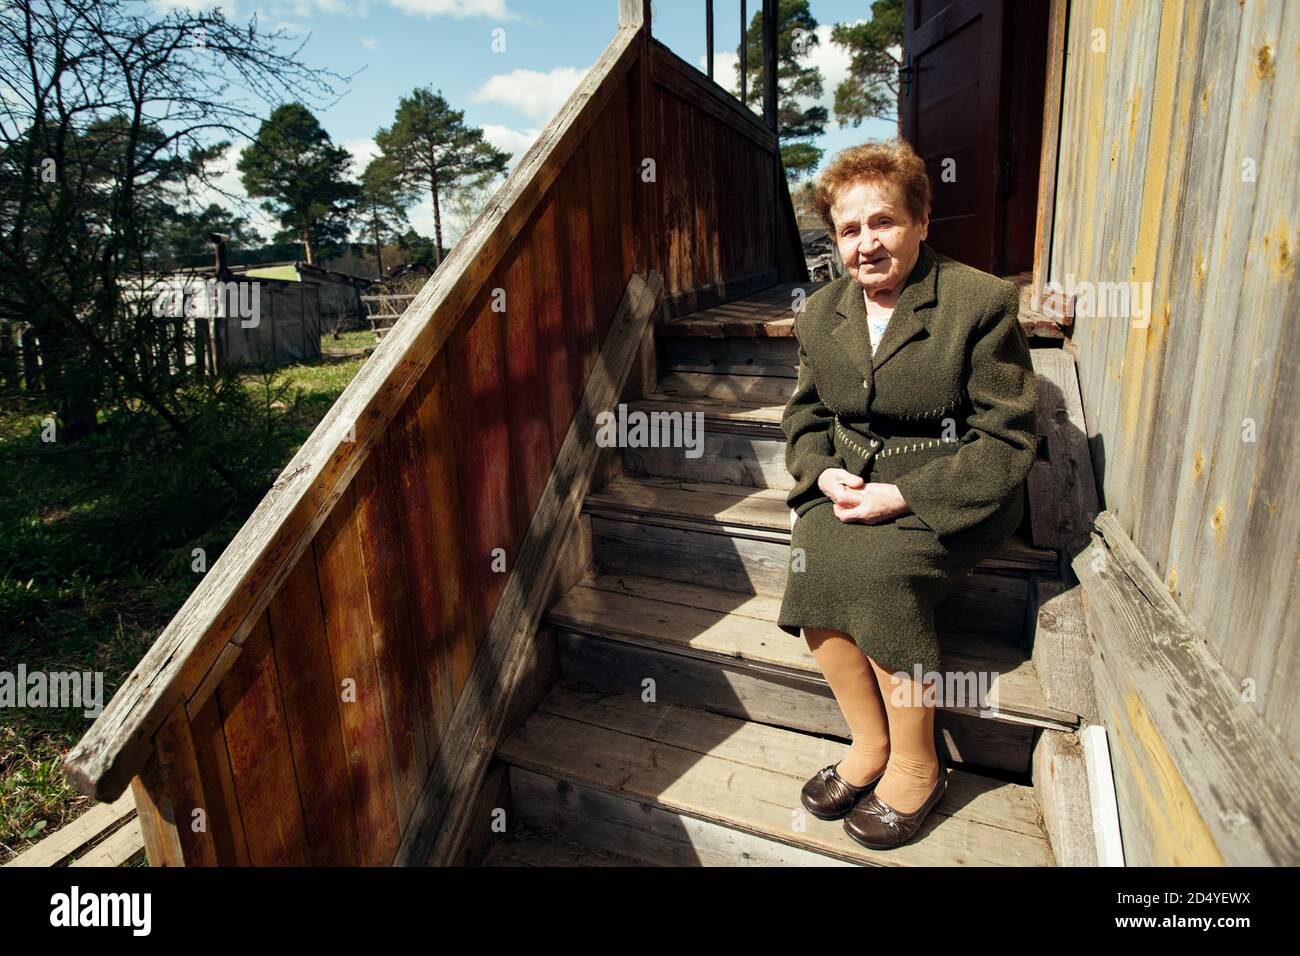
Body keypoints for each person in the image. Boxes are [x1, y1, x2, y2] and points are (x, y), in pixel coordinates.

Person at [777, 139, 1038, 849]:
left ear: (921, 222)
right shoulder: (820, 313)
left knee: (879, 571)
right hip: (853, 482)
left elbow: (1008, 439)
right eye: (850, 230)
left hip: (955, 485)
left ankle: (920, 763)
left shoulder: (978, 302)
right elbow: (806, 416)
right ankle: (869, 744)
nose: (867, 243)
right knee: (812, 555)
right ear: (835, 241)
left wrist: (903, 498)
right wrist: (820, 471)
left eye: (884, 222)